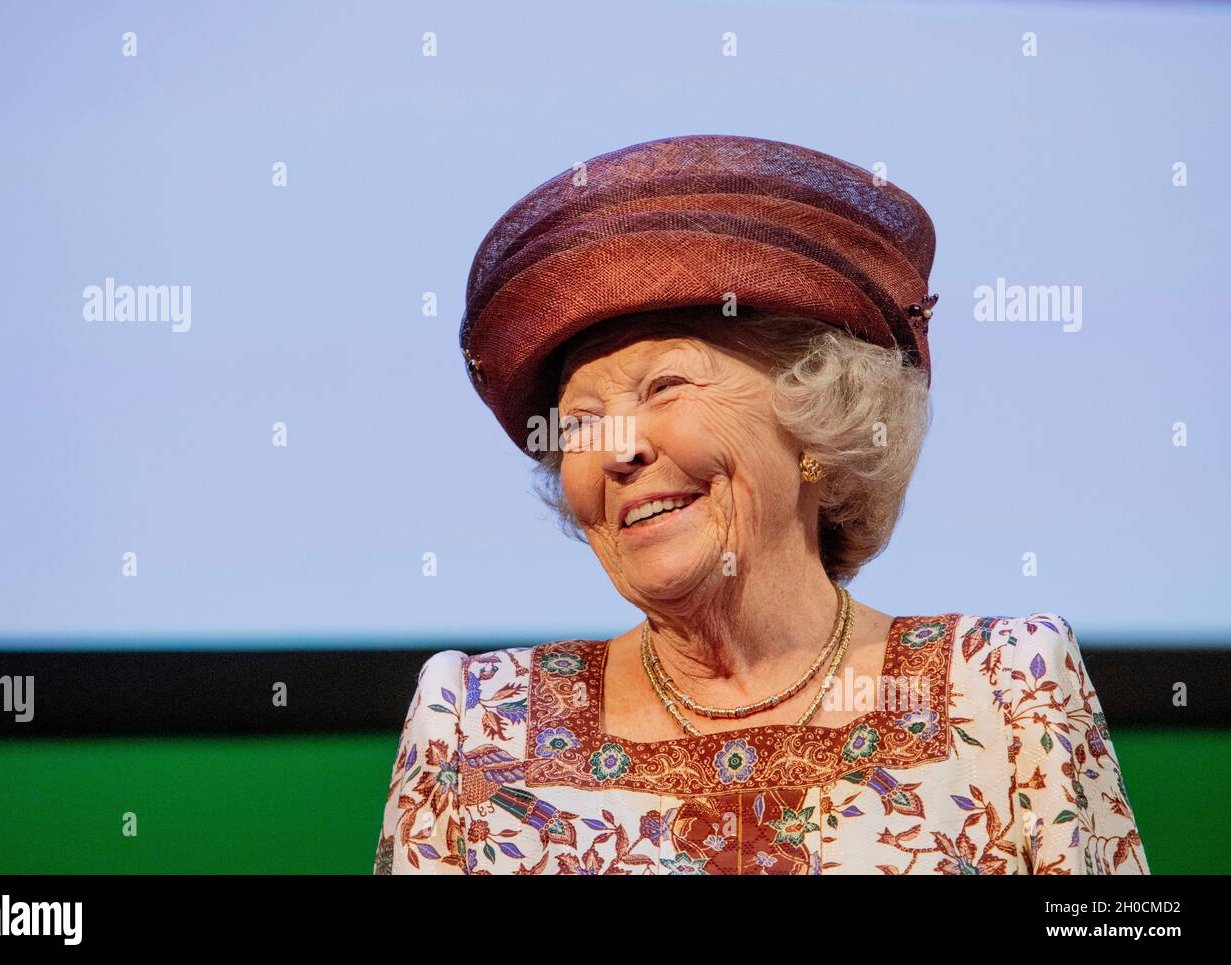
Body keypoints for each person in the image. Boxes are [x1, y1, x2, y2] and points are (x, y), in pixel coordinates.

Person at [372, 134, 1149, 875]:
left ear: (818, 413)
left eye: (665, 387)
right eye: (580, 424)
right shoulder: (472, 725)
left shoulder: (1009, 689)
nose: (617, 451)